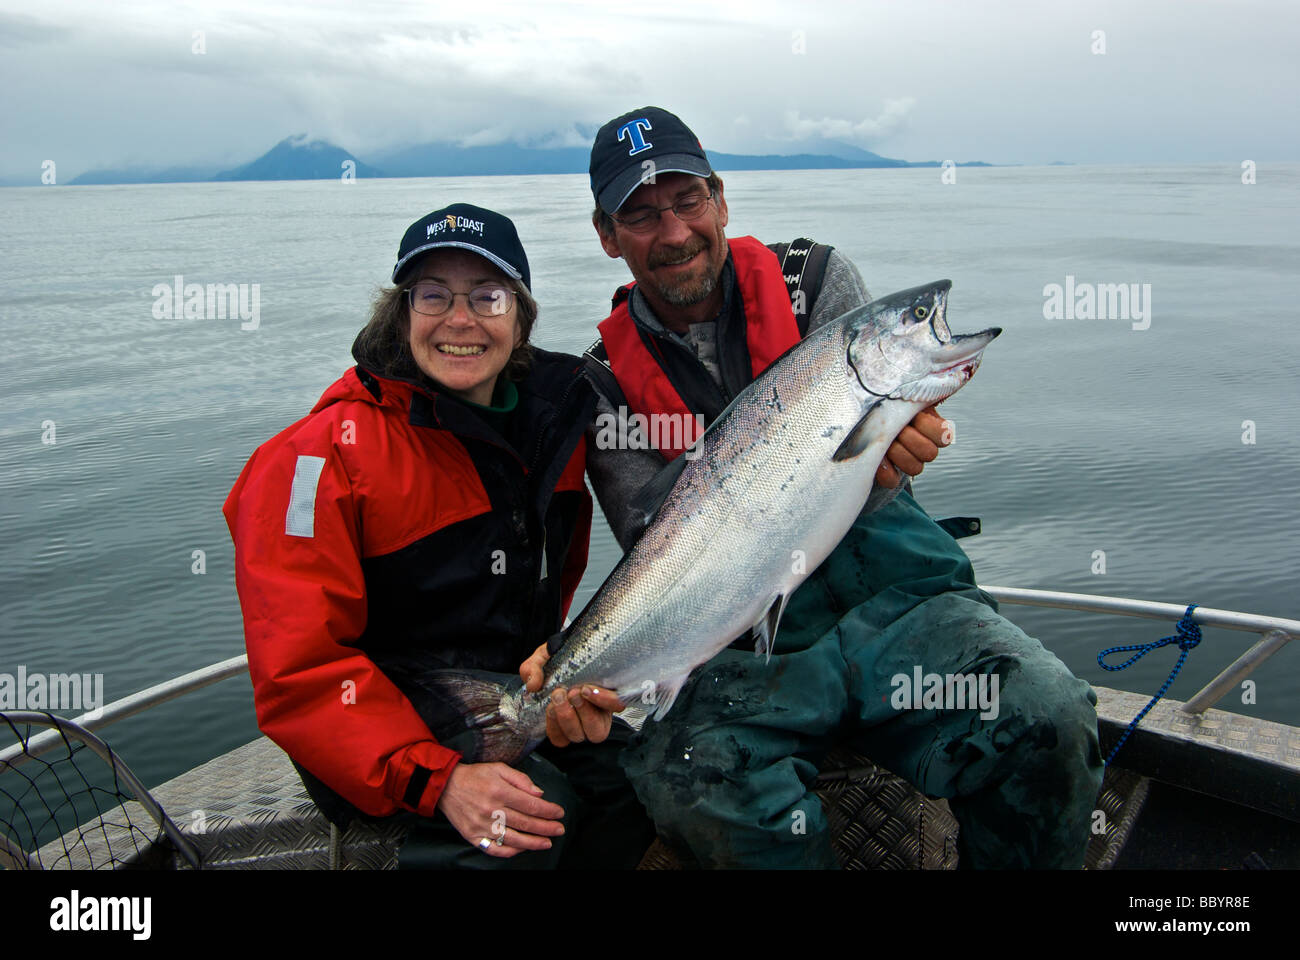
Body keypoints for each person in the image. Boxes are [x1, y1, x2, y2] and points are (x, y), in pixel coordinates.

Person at [524, 107, 1105, 869]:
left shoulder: (818, 282)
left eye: (687, 201)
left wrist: (895, 454)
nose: (672, 233)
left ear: (721, 198)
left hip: (898, 608)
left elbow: (874, 464)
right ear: (606, 235)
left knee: (1048, 716)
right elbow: (656, 550)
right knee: (690, 784)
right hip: (731, 648)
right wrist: (579, 664)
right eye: (639, 214)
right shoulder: (599, 383)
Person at [223, 202, 652, 869]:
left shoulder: (556, 420)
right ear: (401, 314)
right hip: (374, 730)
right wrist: (437, 779)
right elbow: (300, 677)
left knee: (643, 785)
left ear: (521, 316)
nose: (460, 320)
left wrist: (565, 681)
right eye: (433, 296)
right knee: (533, 824)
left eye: (488, 296)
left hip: (512, 695)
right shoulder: (312, 462)